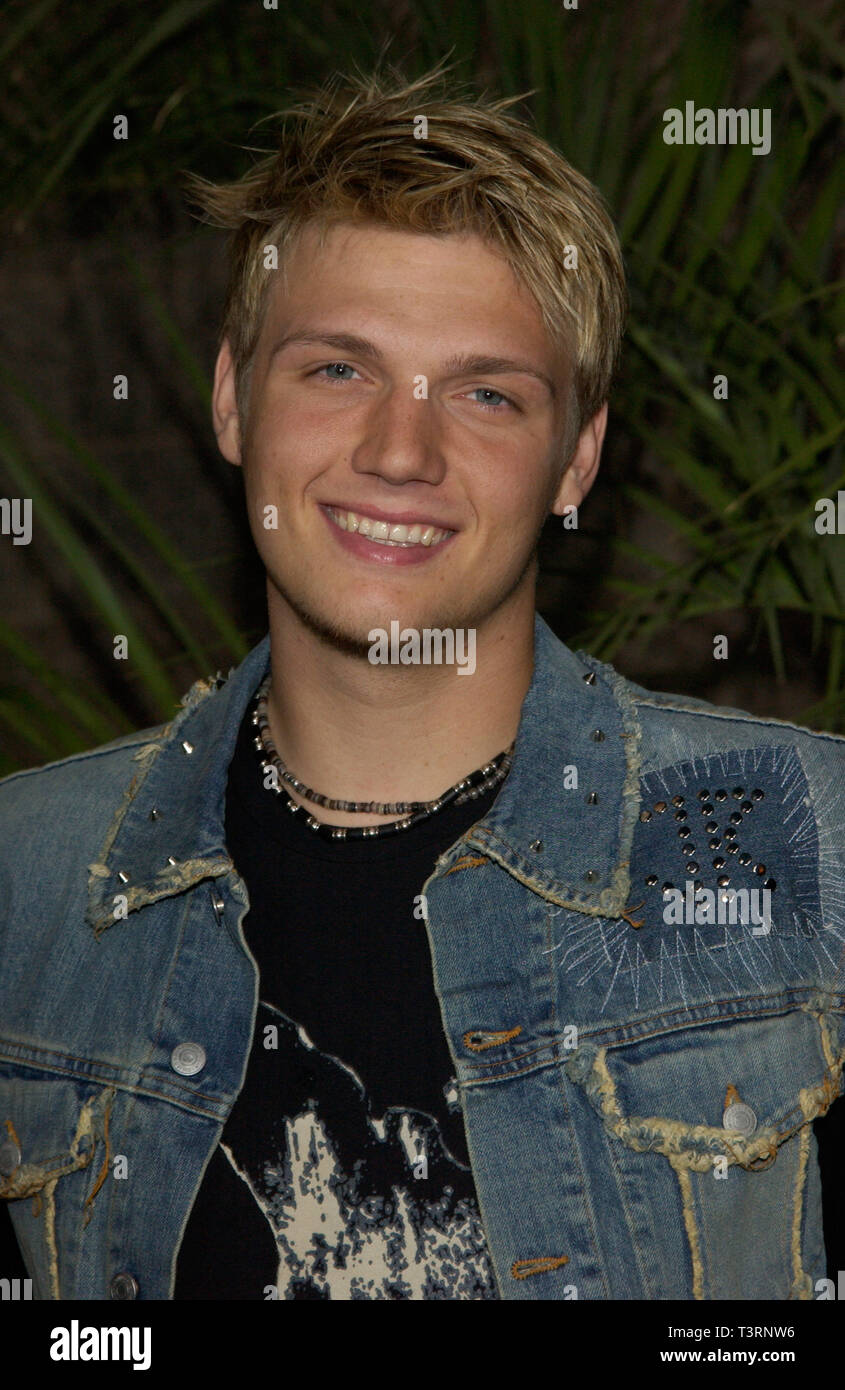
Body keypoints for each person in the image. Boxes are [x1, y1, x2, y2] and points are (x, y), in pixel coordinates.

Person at [1, 64, 843, 1302]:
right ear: (234, 401)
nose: (401, 450)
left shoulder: (799, 841)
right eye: (337, 369)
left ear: (576, 460)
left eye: (486, 392)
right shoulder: (27, 884)